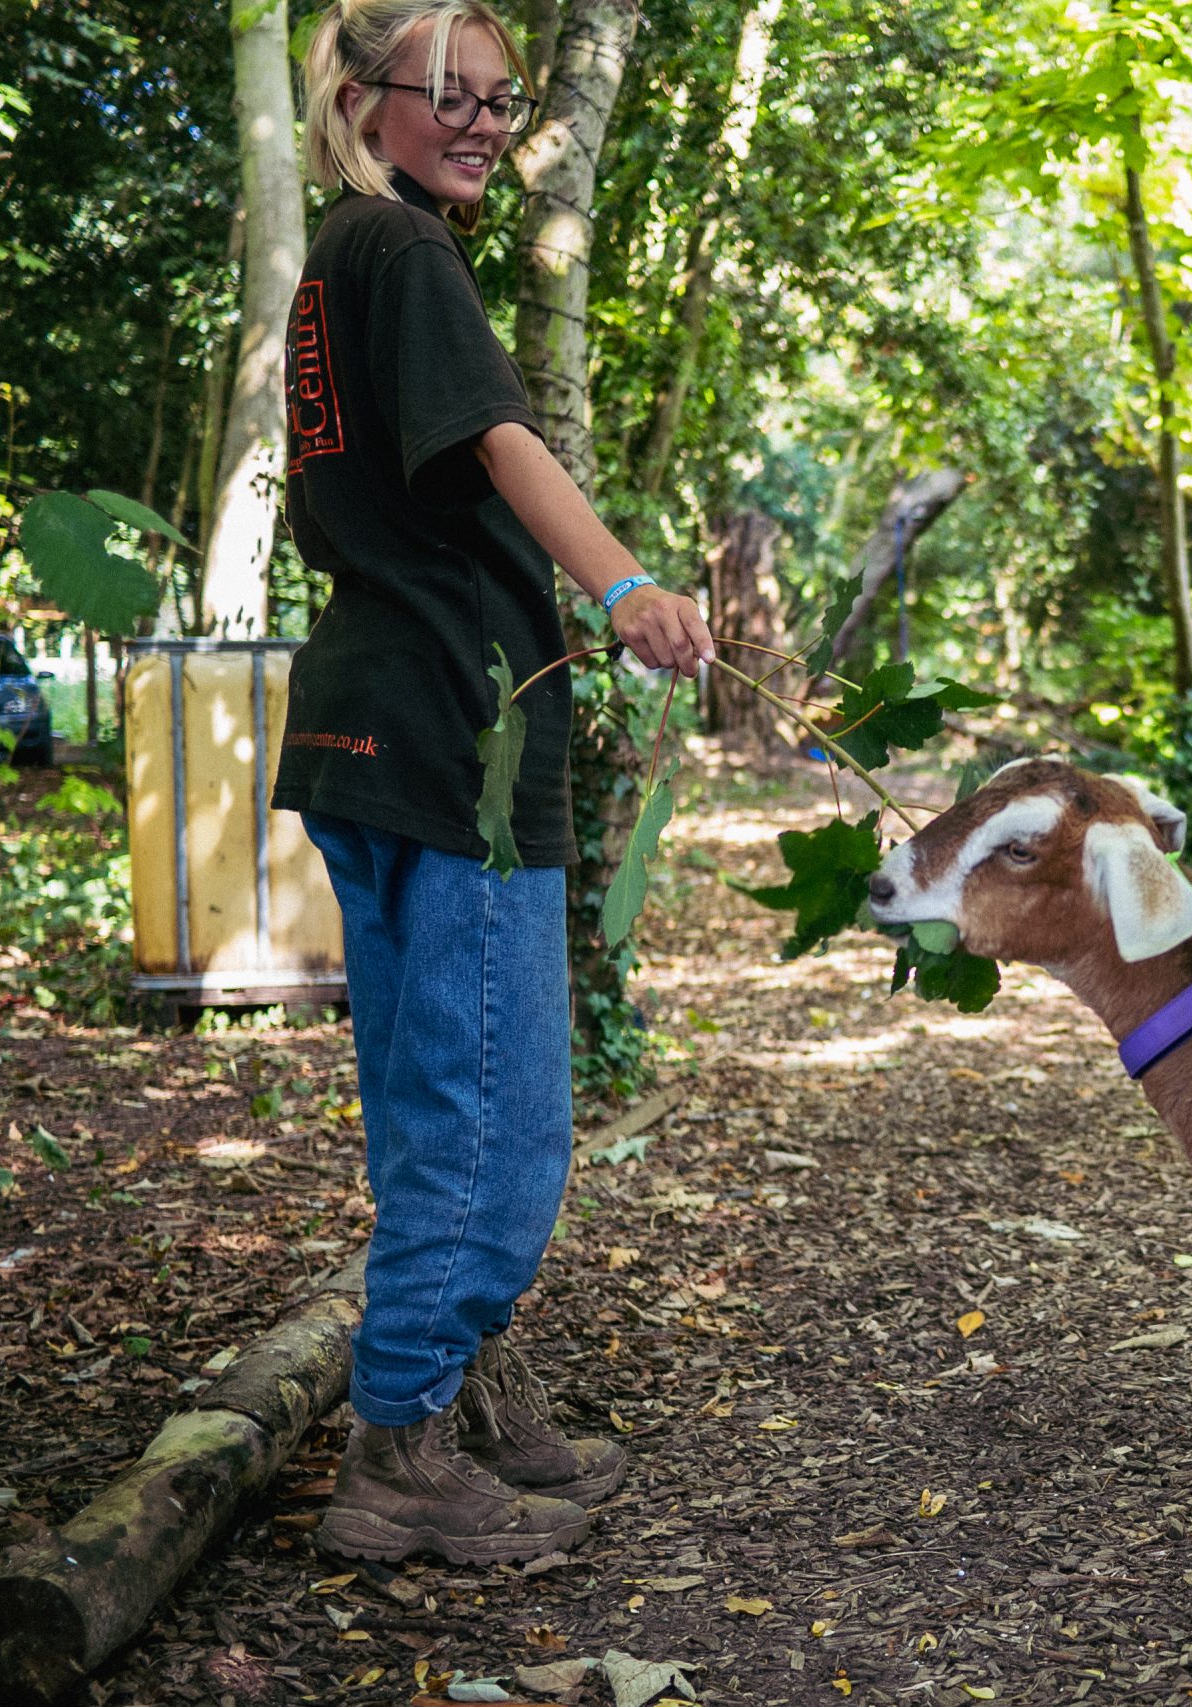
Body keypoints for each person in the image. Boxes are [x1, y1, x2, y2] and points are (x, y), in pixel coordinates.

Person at [276, 0, 714, 1565]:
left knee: (437, 1109)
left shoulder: (344, 260)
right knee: (494, 1130)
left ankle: (455, 1390)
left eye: (497, 97)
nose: (476, 121)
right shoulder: (401, 249)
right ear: (364, 101)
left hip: (376, 725)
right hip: (455, 738)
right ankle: (399, 1446)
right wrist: (624, 585)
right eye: (443, 93)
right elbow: (508, 442)